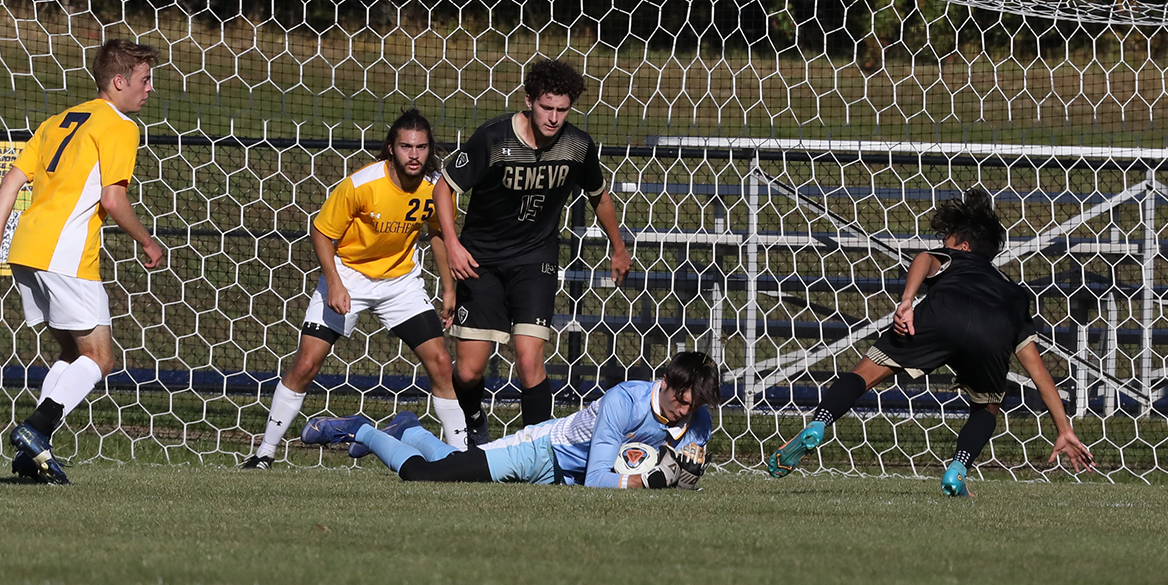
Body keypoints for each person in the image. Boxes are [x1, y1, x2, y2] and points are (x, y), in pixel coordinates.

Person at [765, 189, 1093, 494]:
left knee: (864, 374)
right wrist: (1063, 428)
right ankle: (958, 469)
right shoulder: (1015, 294)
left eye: (947, 239)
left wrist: (907, 300)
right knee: (988, 406)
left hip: (943, 315)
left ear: (962, 247)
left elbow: (924, 258)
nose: (943, 243)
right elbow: (1039, 373)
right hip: (992, 334)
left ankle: (819, 424)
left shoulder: (955, 259)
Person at [0, 39, 166, 484]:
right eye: (144, 80)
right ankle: (37, 431)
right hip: (66, 253)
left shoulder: (59, 121)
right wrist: (147, 241)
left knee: (68, 351)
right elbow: (113, 199)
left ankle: (32, 456)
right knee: (99, 360)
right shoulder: (119, 125)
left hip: (26, 249)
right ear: (119, 82)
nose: (149, 89)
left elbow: (12, 179)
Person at [241, 109, 463, 468]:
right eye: (406, 146)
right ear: (391, 148)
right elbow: (322, 232)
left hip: (400, 283)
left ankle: (460, 457)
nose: (414, 155)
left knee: (440, 362)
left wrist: (449, 289)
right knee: (307, 363)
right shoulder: (361, 184)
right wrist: (335, 283)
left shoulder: (435, 186)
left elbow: (439, 233)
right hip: (348, 275)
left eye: (421, 147)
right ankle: (264, 453)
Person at [437, 57, 632, 442]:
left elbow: (600, 196)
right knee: (468, 371)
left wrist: (619, 247)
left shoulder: (577, 146)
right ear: (529, 100)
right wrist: (454, 244)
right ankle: (473, 420)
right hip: (481, 261)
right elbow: (444, 188)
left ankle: (537, 445)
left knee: (529, 359)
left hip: (534, 259)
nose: (555, 118)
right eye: (547, 107)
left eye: (563, 110)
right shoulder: (493, 139)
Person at [348, 351, 717, 488]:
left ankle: (409, 429)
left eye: (694, 405)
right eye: (682, 401)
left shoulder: (698, 419)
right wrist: (647, 482)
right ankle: (360, 428)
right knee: (424, 475)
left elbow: (679, 474)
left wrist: (683, 479)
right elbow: (595, 479)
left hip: (562, 478)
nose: (686, 411)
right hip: (540, 451)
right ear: (665, 382)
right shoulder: (624, 401)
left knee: (448, 465)